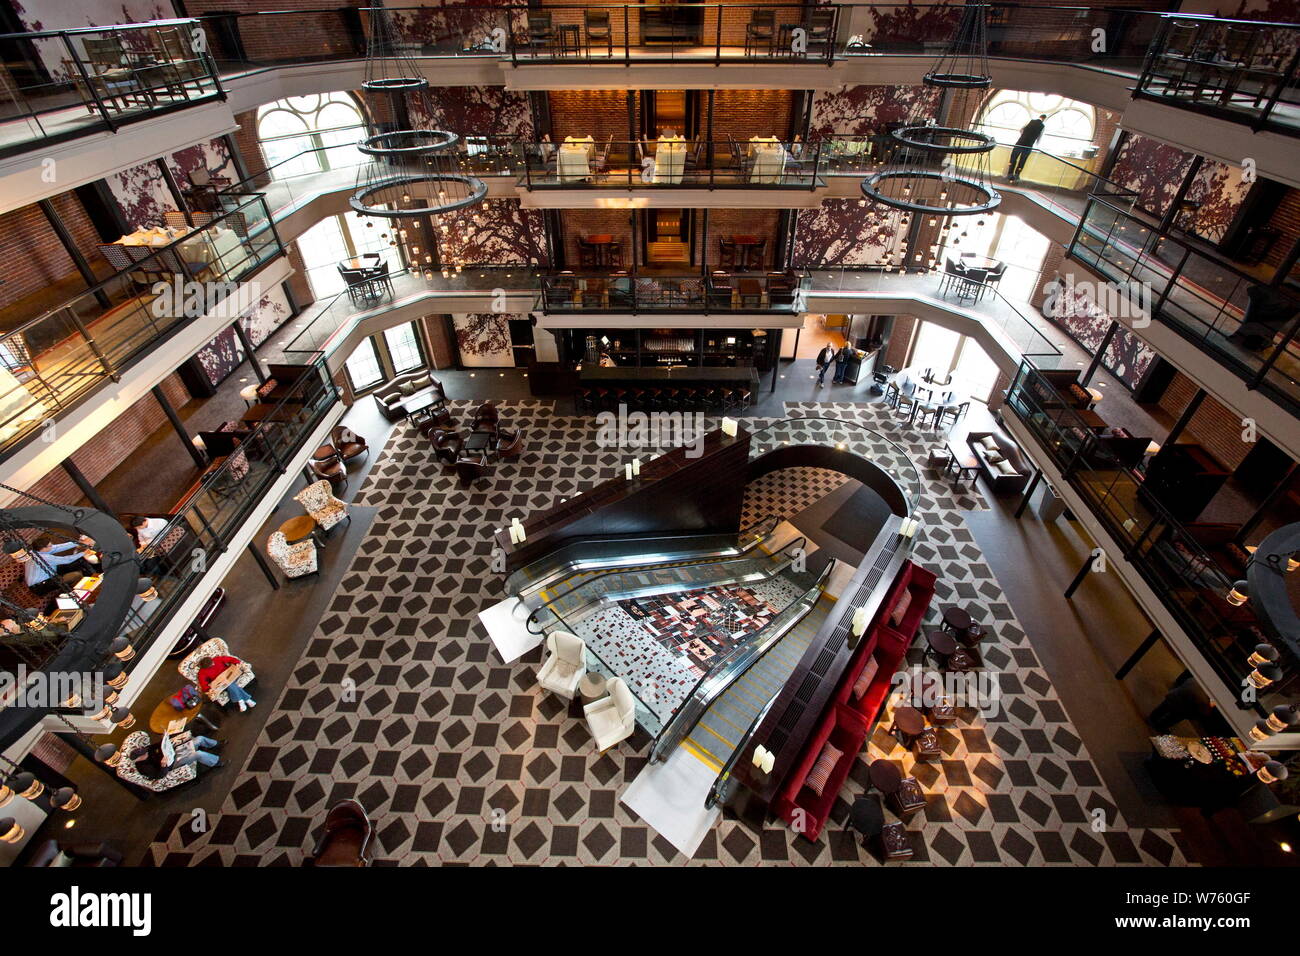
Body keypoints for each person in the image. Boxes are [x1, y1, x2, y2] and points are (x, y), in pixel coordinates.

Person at [22, 537, 95, 598]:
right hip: (40, 587)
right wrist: (84, 553)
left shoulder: (36, 551)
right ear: (43, 548)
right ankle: (71, 594)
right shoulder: (43, 558)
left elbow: (58, 547)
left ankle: (94, 577)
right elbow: (66, 560)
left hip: (50, 573)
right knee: (75, 575)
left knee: (79, 561)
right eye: (50, 546)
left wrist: (80, 543)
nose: (52, 546)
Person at [128, 732, 223, 777]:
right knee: (198, 754)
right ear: (139, 758)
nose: (147, 752)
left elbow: (158, 745)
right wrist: (163, 765)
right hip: (172, 764)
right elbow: (160, 775)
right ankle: (216, 762)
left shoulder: (147, 749)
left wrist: (164, 738)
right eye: (144, 753)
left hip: (174, 752)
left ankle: (216, 744)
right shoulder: (144, 768)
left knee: (199, 738)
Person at [1007, 114, 1046, 182]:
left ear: (1039, 117)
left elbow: (1021, 129)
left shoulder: (1030, 121)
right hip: (1029, 145)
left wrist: (1023, 136)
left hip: (1020, 143)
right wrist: (1035, 143)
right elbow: (1039, 137)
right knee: (1022, 161)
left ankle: (1010, 174)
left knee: (1013, 158)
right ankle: (1017, 175)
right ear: (1044, 119)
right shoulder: (1042, 126)